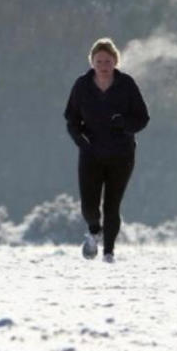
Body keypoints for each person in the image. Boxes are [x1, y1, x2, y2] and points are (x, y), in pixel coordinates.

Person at [64, 38, 149, 263]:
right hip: (91, 153)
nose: (103, 65)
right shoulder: (82, 85)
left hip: (121, 154)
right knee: (89, 206)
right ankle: (94, 231)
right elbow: (71, 119)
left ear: (115, 62)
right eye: (99, 61)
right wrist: (80, 140)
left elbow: (142, 118)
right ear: (92, 62)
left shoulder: (126, 84)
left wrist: (125, 123)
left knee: (113, 204)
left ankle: (109, 252)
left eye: (108, 61)